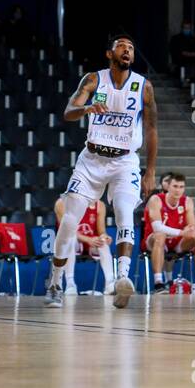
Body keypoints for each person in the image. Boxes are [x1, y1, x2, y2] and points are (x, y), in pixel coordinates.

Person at [45, 33, 158, 309]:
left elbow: (152, 128)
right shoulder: (94, 80)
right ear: (110, 54)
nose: (127, 50)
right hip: (92, 159)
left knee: (124, 210)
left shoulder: (144, 86)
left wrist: (151, 170)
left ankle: (122, 279)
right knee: (70, 221)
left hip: (125, 161)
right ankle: (56, 282)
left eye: (131, 47)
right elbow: (68, 111)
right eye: (121, 46)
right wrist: (86, 108)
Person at [143, 172, 195, 292]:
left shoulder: (187, 201)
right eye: (175, 186)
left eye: (181, 187)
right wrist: (181, 232)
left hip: (177, 241)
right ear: (168, 187)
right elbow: (157, 227)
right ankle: (159, 283)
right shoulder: (156, 199)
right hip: (155, 240)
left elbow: (192, 226)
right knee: (160, 236)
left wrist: (190, 230)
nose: (178, 190)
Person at [55, 196, 112, 296]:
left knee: (103, 242)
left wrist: (105, 236)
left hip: (90, 242)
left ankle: (110, 283)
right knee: (70, 238)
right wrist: (87, 239)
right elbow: (67, 230)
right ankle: (70, 283)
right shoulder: (62, 203)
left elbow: (101, 230)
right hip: (71, 242)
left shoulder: (99, 205)